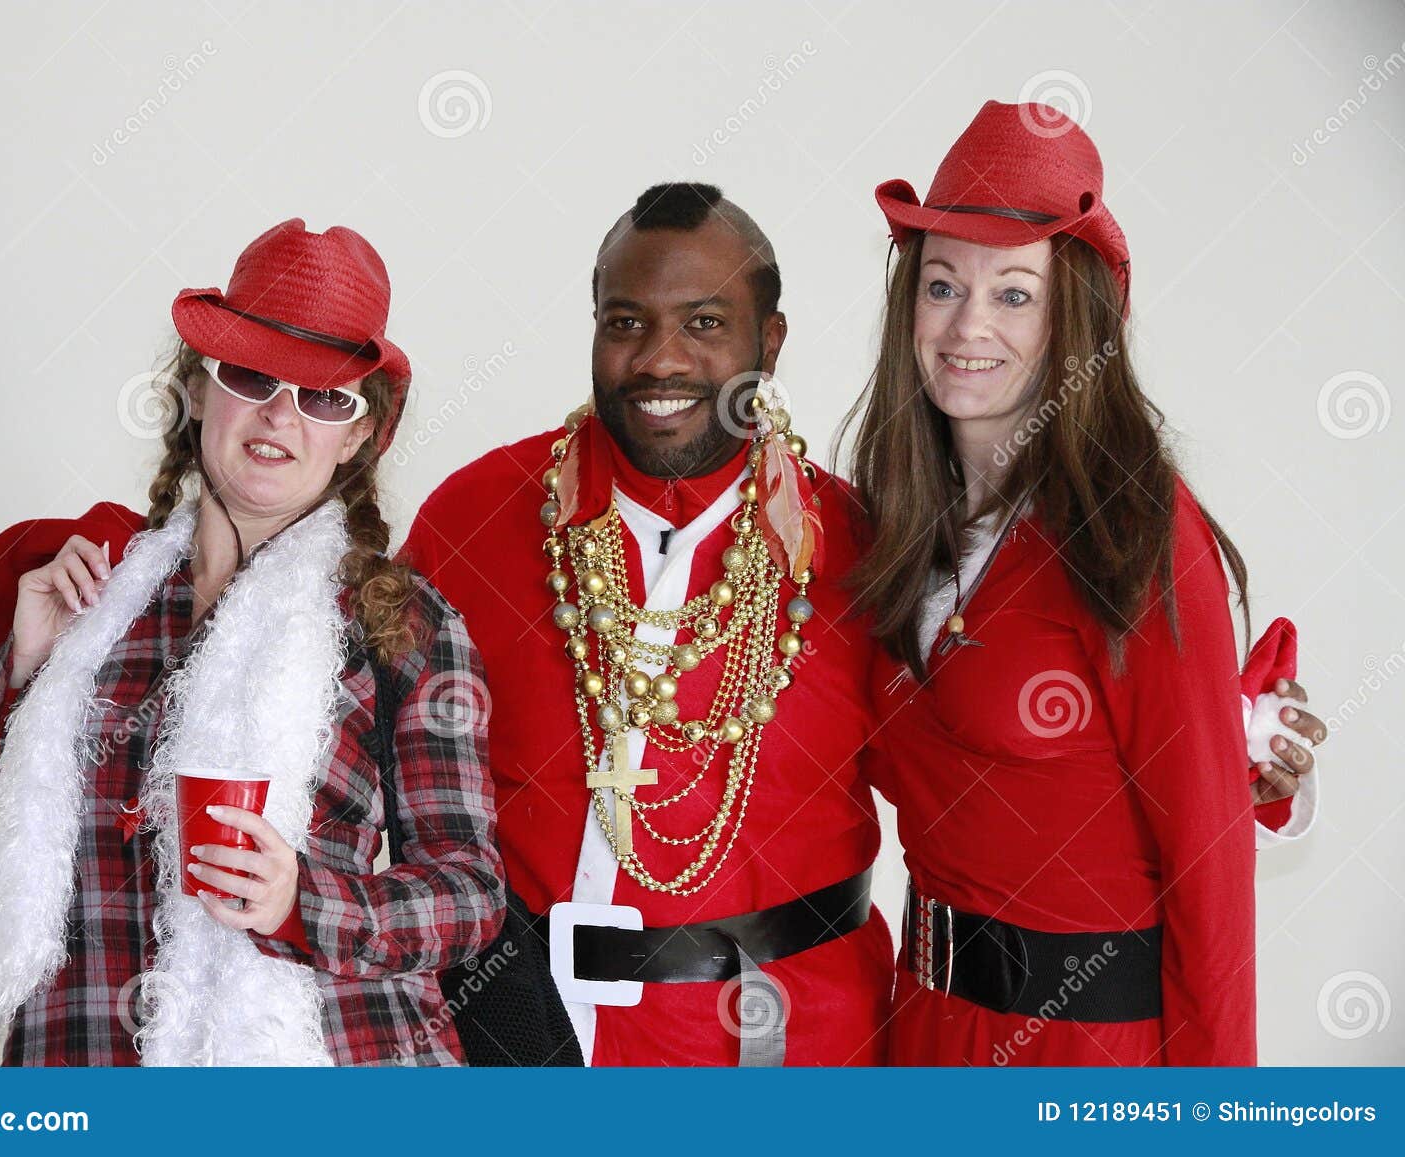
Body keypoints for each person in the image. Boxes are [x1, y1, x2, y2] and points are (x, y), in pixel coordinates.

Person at [397, 182, 1323, 1065]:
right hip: (512, 1042)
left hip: (782, 1056)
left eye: (706, 325)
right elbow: (362, 751)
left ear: (773, 338)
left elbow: (975, 788)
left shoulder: (856, 548)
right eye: (625, 322)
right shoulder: (474, 514)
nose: (661, 360)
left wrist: (1217, 769)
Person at [0, 219, 505, 1065]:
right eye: (252, 374)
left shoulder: (400, 623)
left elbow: (471, 893)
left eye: (324, 396)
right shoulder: (97, 597)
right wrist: (22, 673)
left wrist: (300, 903)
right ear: (199, 389)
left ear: (355, 435)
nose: (280, 413)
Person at [846, 101, 1320, 1065]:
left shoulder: (1137, 531)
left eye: (1014, 293)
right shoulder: (890, 520)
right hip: (920, 1032)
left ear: (1079, 316)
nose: (968, 324)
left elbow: (1208, 873)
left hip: (1088, 1055)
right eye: (942, 285)